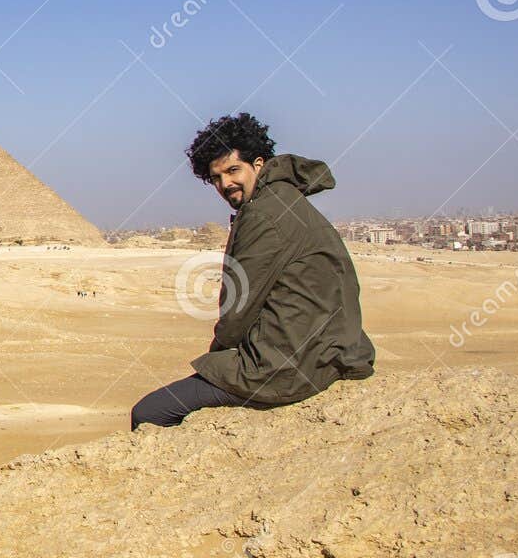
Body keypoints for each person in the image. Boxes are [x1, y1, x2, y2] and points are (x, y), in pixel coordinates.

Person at [130, 113, 375, 430]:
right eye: (216, 177)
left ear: (258, 163)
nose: (225, 184)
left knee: (150, 412)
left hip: (291, 365)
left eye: (233, 170)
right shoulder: (285, 199)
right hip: (330, 351)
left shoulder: (263, 214)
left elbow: (238, 310)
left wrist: (218, 359)